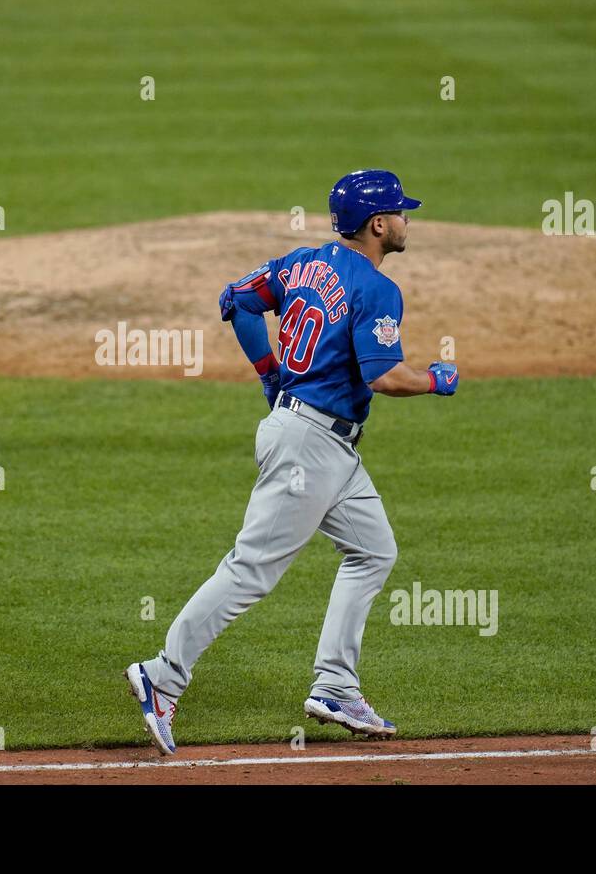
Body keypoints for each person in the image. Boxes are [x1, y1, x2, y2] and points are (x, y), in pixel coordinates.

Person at [125, 169, 460, 755]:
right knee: (251, 569)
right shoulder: (378, 289)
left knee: (374, 551)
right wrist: (436, 378)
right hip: (311, 444)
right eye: (401, 213)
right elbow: (383, 376)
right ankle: (161, 676)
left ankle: (335, 687)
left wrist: (268, 372)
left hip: (319, 440)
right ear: (379, 225)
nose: (409, 220)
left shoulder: (303, 263)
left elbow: (238, 301)